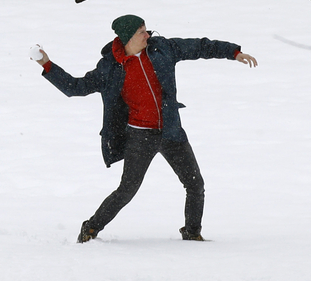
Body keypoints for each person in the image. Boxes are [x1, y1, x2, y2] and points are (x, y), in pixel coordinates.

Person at [33, 14, 257, 243]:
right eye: (141, 32)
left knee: (195, 184)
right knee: (127, 190)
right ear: (127, 38)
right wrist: (47, 66)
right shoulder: (111, 68)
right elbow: (76, 87)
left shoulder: (162, 49)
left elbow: (200, 47)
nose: (147, 35)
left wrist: (233, 52)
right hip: (140, 136)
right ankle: (90, 228)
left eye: (146, 30)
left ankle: (192, 233)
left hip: (171, 131)